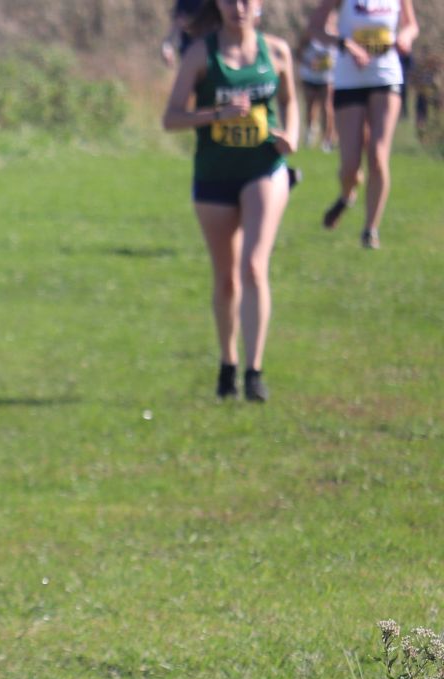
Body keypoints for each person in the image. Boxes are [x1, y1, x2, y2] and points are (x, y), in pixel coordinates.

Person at [162, 0, 298, 402]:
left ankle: (255, 373)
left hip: (264, 167)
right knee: (226, 278)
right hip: (215, 174)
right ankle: (228, 363)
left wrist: (291, 132)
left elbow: (290, 100)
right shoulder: (201, 54)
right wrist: (217, 113)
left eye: (246, 0)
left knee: (254, 265)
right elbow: (171, 119)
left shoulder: (277, 51)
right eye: (229, 0)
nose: (238, 7)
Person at [308, 0, 418, 247]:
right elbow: (314, 28)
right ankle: (347, 196)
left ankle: (370, 229)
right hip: (349, 81)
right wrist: (345, 44)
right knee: (350, 166)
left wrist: (405, 38)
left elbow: (411, 26)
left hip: (386, 76)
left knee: (378, 155)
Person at [298, 18, 339, 150]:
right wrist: (309, 63)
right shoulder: (311, 34)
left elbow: (340, 54)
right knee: (310, 106)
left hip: (327, 77)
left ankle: (327, 140)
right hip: (310, 75)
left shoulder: (337, 35)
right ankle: (310, 134)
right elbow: (299, 52)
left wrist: (330, 63)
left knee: (327, 107)